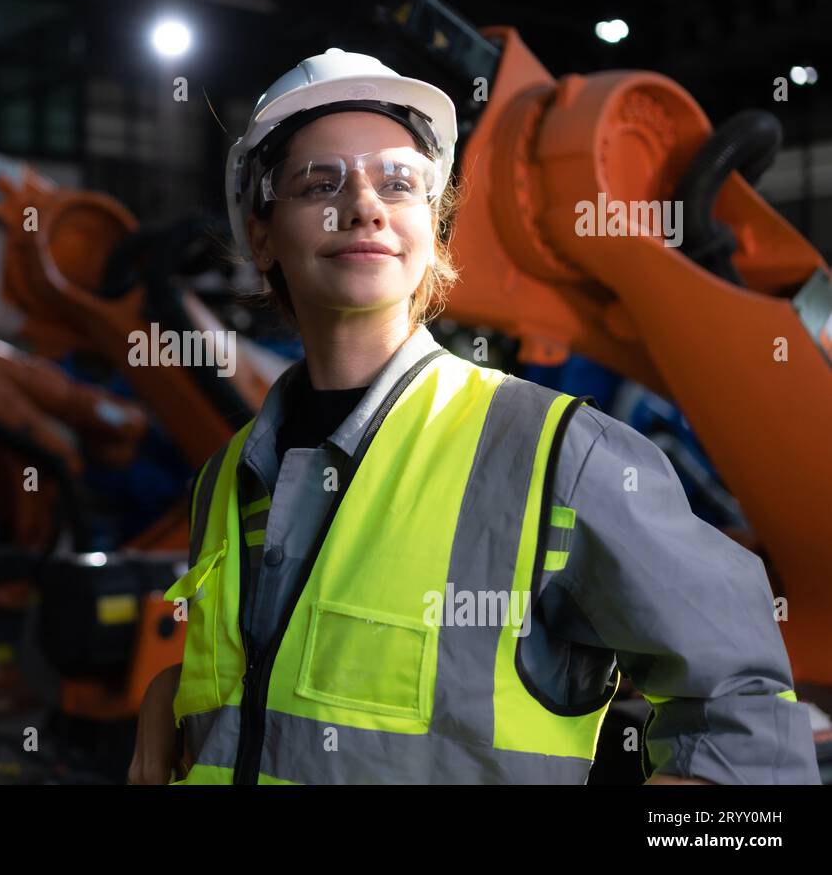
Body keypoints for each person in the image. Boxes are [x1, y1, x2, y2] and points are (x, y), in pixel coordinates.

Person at [128, 48, 818, 785]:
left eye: (399, 182)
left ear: (432, 227)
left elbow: (749, 725)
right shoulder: (224, 482)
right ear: (261, 234)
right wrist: (183, 698)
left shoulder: (557, 455)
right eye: (318, 181)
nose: (364, 204)